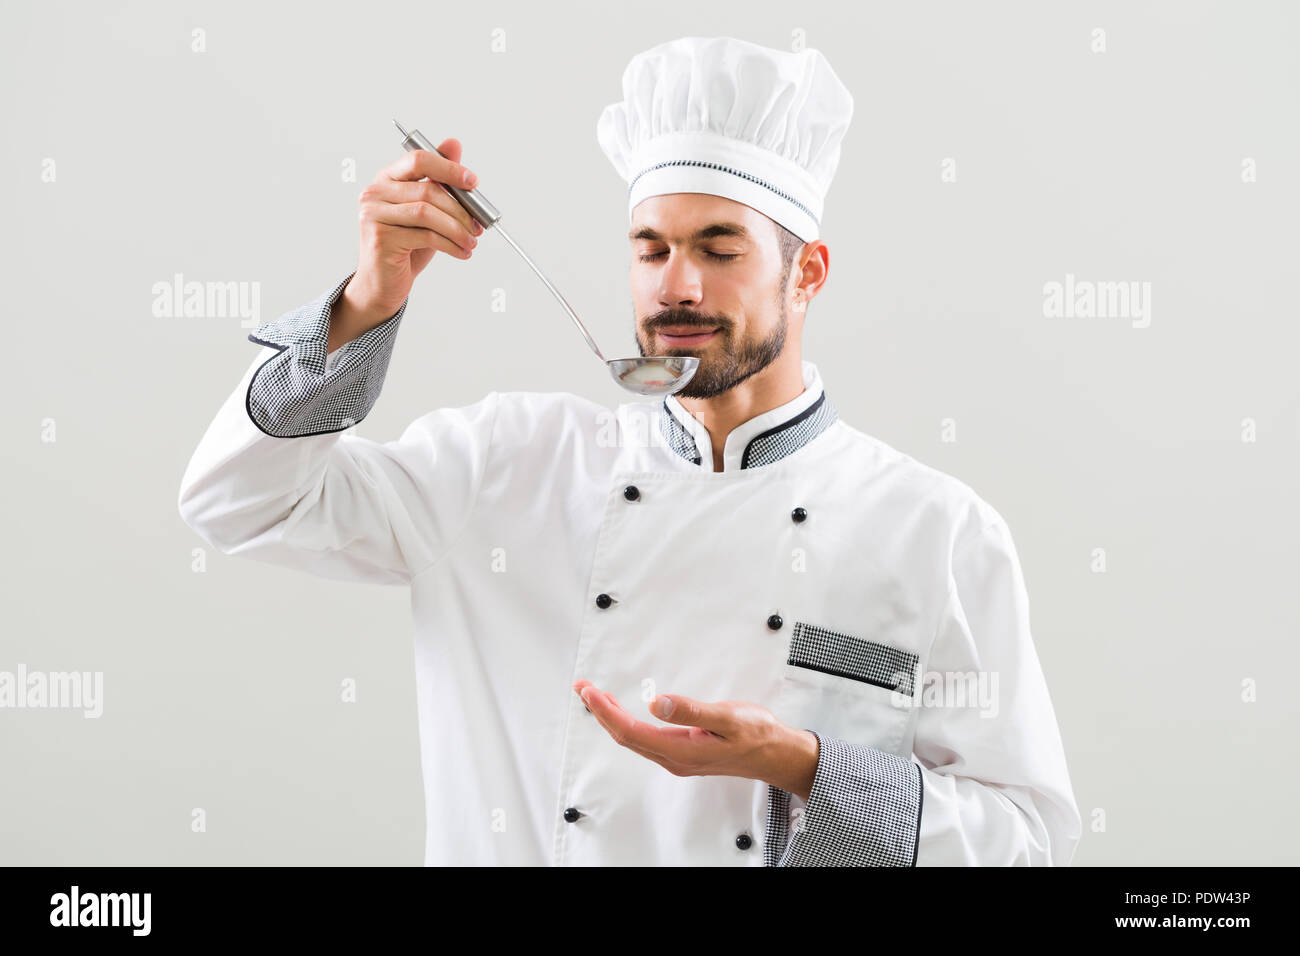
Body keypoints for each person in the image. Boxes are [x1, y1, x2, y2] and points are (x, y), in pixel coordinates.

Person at [177, 35, 1081, 866]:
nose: (676, 286)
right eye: (650, 250)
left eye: (718, 247)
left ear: (806, 273)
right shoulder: (505, 464)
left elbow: (1026, 843)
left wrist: (807, 768)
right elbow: (238, 503)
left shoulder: (936, 530)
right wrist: (364, 307)